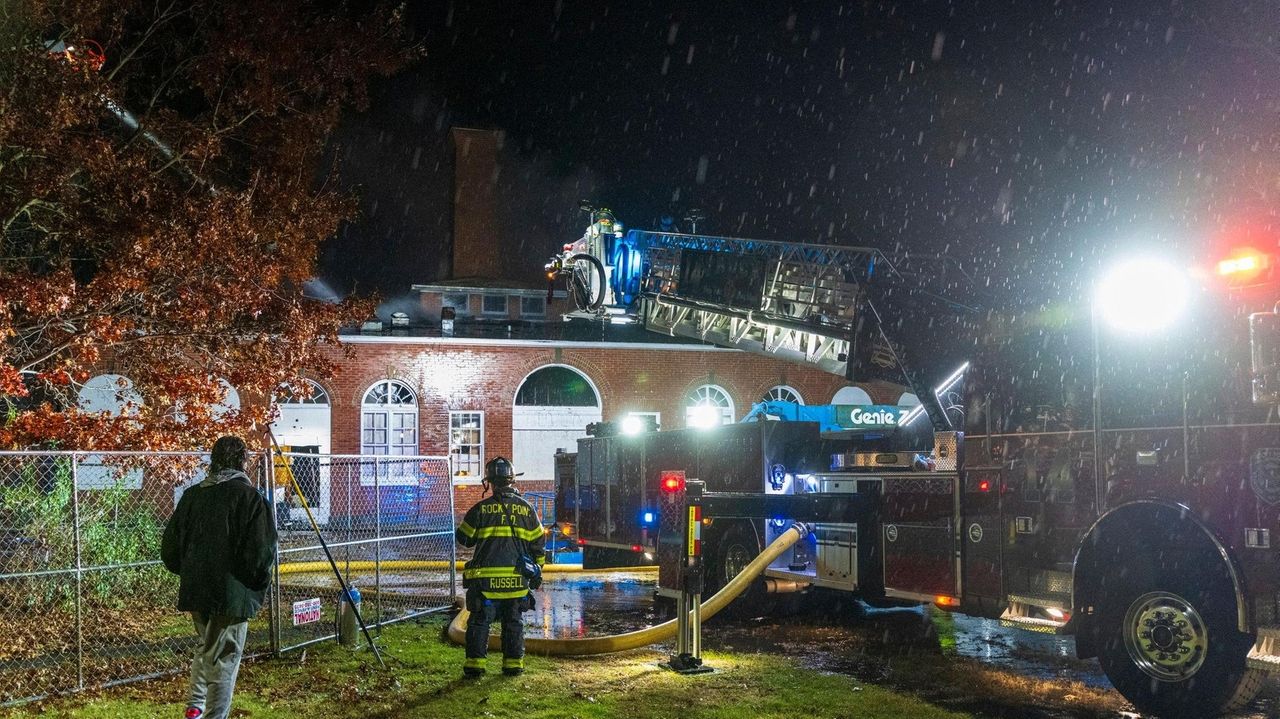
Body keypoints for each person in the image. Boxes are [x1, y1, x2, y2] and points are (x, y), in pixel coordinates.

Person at [162, 436, 278, 719]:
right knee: (224, 656)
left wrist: (190, 571)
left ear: (214, 461)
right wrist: (254, 583)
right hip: (233, 593)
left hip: (197, 588)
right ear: (243, 461)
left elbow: (170, 548)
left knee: (207, 647)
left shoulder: (192, 496)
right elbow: (261, 552)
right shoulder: (250, 499)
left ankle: (195, 706)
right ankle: (214, 715)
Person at [455, 456, 546, 677]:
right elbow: (538, 546)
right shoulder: (527, 510)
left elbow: (464, 539)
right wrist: (536, 573)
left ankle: (475, 667)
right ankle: (513, 666)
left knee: (479, 623)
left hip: (485, 584)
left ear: (490, 482)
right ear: (512, 480)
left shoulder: (481, 509)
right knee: (513, 623)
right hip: (516, 582)